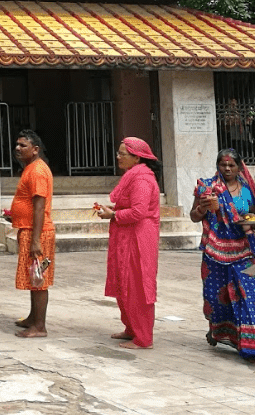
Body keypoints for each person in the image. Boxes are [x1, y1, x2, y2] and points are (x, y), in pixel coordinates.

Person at [190, 149, 255, 361]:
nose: (228, 169)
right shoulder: (208, 188)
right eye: (223, 165)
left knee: (249, 294)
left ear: (240, 167)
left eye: (232, 165)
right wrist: (203, 208)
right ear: (217, 166)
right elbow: (194, 217)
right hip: (216, 250)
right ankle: (219, 331)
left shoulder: (248, 189)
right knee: (217, 297)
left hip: (245, 247)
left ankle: (251, 346)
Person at [96, 137, 161, 350]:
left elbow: (139, 211)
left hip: (139, 239)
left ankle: (143, 338)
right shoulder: (133, 176)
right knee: (123, 283)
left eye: (122, 153)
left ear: (136, 157)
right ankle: (132, 328)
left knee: (137, 286)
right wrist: (112, 212)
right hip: (127, 236)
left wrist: (112, 215)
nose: (118, 157)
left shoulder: (141, 179)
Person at [11, 129, 56, 338]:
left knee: (40, 278)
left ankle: (39, 326)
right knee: (34, 277)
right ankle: (33, 317)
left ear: (35, 149)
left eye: (23, 145)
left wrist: (36, 240)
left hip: (40, 235)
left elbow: (39, 207)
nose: (18, 149)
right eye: (17, 145)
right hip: (31, 231)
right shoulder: (31, 168)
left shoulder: (38, 171)